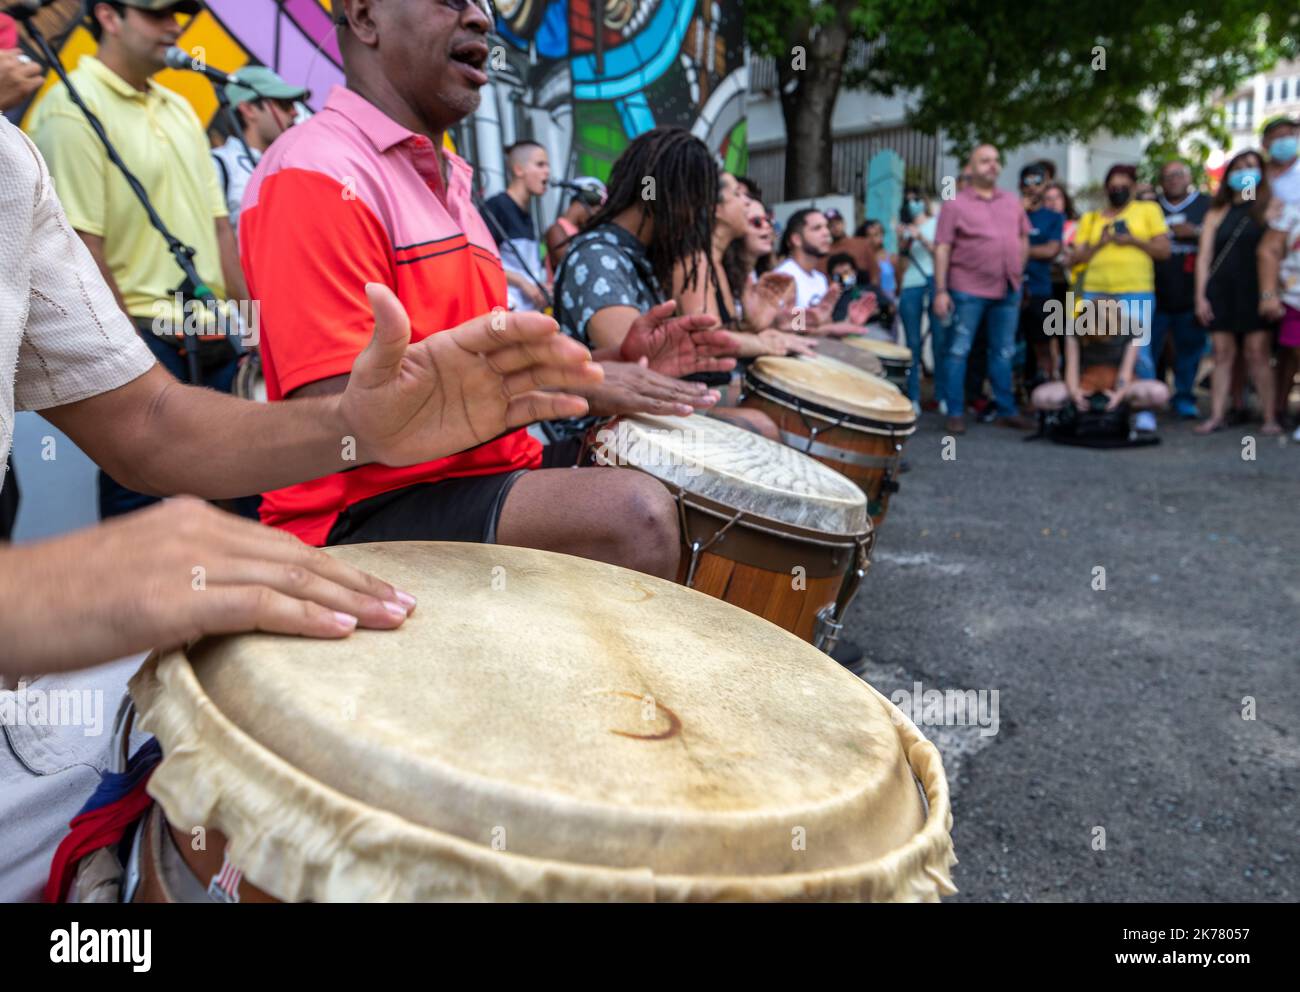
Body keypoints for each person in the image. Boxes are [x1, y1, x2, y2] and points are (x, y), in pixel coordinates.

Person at [0, 111, 599, 901]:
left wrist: (351, 427)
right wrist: (43, 592)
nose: (479, 18)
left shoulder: (9, 162)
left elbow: (146, 422)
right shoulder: (314, 169)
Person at [240, 0, 723, 579]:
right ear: (365, 18)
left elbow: (475, 362)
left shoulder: (450, 179)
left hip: (485, 471)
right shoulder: (315, 172)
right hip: (361, 513)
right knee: (636, 515)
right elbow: (341, 419)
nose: (482, 18)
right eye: (452, 1)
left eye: (485, 4)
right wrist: (577, 385)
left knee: (707, 453)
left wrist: (602, 366)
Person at [29, 0, 250, 519]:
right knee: (144, 507)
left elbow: (219, 228)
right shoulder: (70, 107)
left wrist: (256, 334)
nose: (175, 25)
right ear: (108, 16)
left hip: (213, 335)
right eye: (158, 13)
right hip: (143, 337)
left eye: (182, 14)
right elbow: (82, 245)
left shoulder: (179, 107)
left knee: (240, 497)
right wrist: (128, 360)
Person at [932, 144, 1035, 433]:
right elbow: (942, 247)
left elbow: (1023, 237)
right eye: (985, 160)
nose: (992, 165)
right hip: (968, 289)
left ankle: (1006, 409)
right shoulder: (955, 204)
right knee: (958, 350)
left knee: (1003, 351)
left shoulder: (1011, 201)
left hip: (1007, 288)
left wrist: (1017, 269)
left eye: (996, 160)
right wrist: (941, 290)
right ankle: (954, 411)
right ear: (970, 168)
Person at [1067, 163, 1171, 434]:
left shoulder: (1148, 211)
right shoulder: (1091, 218)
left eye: (1124, 185)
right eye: (1113, 186)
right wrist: (1100, 243)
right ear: (1105, 189)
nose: (1118, 190)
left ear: (1134, 188)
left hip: (1135, 289)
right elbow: (1074, 258)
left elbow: (1163, 250)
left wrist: (1133, 241)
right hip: (1094, 292)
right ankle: (1087, 400)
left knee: (1141, 352)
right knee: (1092, 346)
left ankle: (1142, 410)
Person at [1192, 149, 1279, 435]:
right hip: (1221, 290)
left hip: (1257, 290)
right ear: (1228, 176)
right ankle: (1216, 415)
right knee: (1221, 354)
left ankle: (1269, 418)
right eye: (1239, 167)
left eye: (1251, 166)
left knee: (1257, 353)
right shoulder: (1217, 212)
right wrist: (1200, 296)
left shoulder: (1270, 206)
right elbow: (1204, 258)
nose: (1245, 172)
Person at [1030, 295, 1169, 417]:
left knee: (1159, 393)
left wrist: (1118, 396)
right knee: (1040, 397)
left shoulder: (1132, 328)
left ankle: (1123, 412)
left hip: (1118, 384)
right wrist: (1075, 394)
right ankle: (1073, 413)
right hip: (1084, 384)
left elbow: (1126, 371)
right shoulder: (1074, 329)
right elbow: (1071, 369)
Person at [210, 67, 308, 234]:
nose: (295, 112)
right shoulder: (218, 165)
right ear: (248, 109)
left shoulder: (294, 167)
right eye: (284, 104)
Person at [1151, 160, 1210, 419]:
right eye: (1167, 175)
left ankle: (1184, 396)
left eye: (1178, 174)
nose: (1173, 179)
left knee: (1190, 349)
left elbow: (1219, 237)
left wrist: (1195, 232)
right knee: (1148, 350)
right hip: (1154, 291)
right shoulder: (1151, 207)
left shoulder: (1206, 204)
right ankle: (1150, 397)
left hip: (1190, 292)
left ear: (1189, 177)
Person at [480, 139, 552, 311]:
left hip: (527, 313)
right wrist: (521, 282)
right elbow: (481, 262)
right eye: (540, 165)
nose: (547, 172)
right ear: (518, 169)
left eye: (547, 165)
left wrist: (540, 287)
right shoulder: (496, 207)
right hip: (504, 312)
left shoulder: (527, 213)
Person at [1257, 194, 1300, 440]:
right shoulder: (1293, 208)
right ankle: (1280, 409)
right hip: (1295, 295)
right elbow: (1267, 250)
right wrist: (1268, 293)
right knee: (1294, 354)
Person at [1019, 163, 1064, 388]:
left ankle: (1046, 390)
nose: (1033, 187)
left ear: (1046, 185)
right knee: (1010, 345)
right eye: (1028, 181)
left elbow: (1051, 250)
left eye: (1039, 181)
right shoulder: (1011, 212)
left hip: (1041, 290)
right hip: (1010, 289)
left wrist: (1019, 250)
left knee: (1044, 343)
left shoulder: (1053, 217)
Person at [897, 187, 940, 409]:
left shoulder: (937, 223)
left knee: (939, 341)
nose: (912, 203)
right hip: (911, 284)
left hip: (933, 281)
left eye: (916, 198)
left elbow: (940, 254)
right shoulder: (904, 229)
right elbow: (901, 265)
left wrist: (921, 237)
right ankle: (913, 396)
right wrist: (903, 242)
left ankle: (941, 396)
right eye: (908, 200)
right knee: (912, 343)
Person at [542, 176, 605, 277]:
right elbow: (573, 266)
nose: (594, 216)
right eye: (596, 211)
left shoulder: (582, 232)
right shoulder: (556, 230)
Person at [1262, 115, 1300, 207]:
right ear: (1265, 143)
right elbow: (1244, 204)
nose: (1285, 141)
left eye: (1289, 135)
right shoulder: (1252, 174)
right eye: (1279, 136)